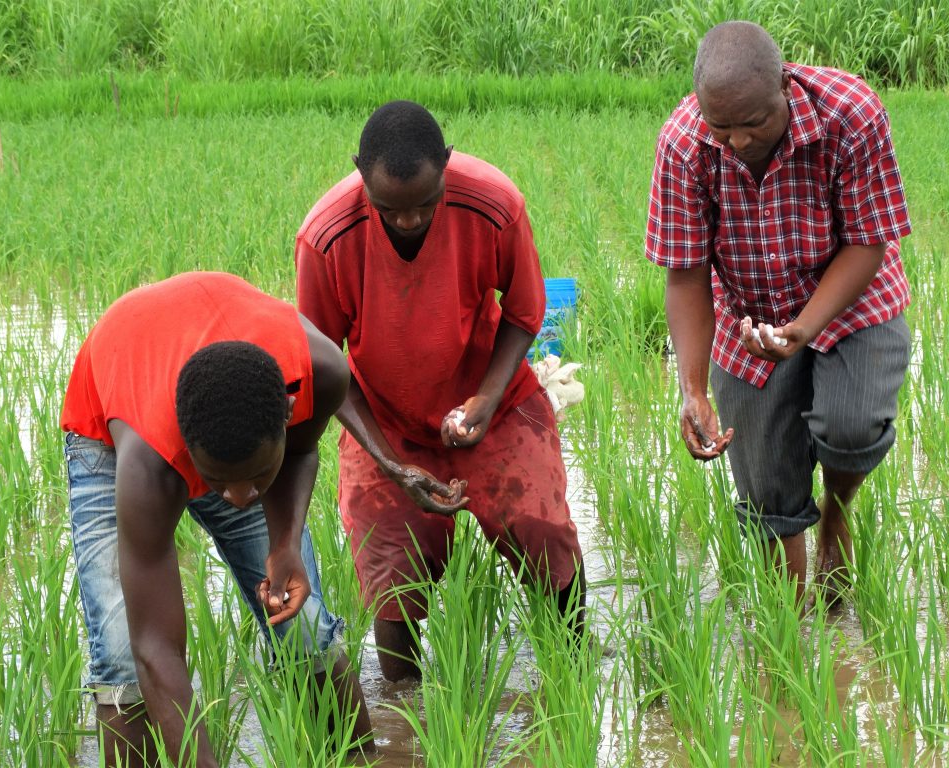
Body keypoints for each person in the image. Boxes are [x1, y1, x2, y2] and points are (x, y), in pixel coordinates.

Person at [295, 100, 586, 682]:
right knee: (389, 569)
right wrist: (386, 460)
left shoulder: (493, 204)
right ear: (359, 171)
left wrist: (483, 398)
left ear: (448, 164)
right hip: (387, 421)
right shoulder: (326, 237)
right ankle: (410, 715)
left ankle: (575, 676)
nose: (409, 221)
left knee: (542, 529)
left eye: (426, 205)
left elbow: (525, 313)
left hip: (494, 403)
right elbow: (323, 363)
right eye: (390, 210)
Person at [645, 21, 911, 606]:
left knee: (852, 425)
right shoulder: (684, 143)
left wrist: (804, 330)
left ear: (785, 89)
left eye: (754, 123)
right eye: (723, 127)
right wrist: (692, 389)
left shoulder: (850, 113)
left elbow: (869, 242)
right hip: (748, 308)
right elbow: (686, 272)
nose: (737, 141)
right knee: (765, 485)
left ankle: (837, 516)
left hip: (853, 301)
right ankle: (791, 632)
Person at [60, 271, 373, 767]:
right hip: (111, 426)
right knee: (123, 658)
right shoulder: (146, 466)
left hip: (225, 406)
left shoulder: (322, 371)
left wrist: (286, 542)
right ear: (187, 455)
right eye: (217, 482)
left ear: (286, 413)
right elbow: (155, 648)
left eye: (254, 476)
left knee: (304, 626)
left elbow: (300, 450)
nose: (238, 498)